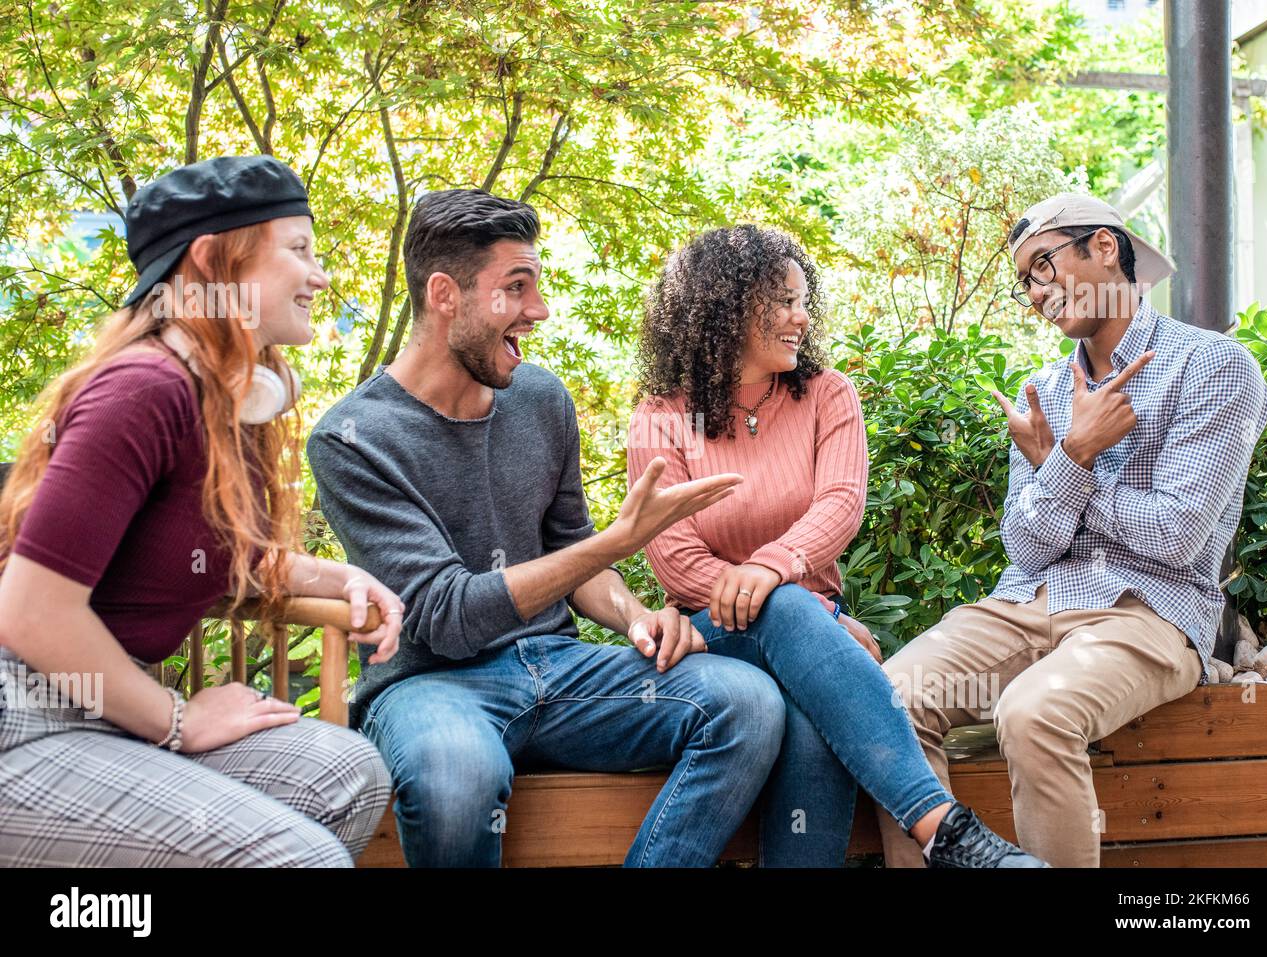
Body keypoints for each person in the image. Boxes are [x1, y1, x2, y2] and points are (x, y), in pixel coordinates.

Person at [306, 189, 789, 868]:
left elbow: (573, 554)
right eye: (515, 288)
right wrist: (616, 542)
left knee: (747, 703)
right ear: (445, 294)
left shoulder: (539, 399)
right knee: (456, 779)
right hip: (429, 686)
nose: (539, 310)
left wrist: (634, 615)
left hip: (561, 672)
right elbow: (447, 615)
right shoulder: (353, 438)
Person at [0, 156, 402, 867]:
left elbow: (214, 555)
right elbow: (30, 612)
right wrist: (176, 720)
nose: (321, 276)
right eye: (299, 250)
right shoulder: (146, 389)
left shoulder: (227, 404)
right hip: (23, 722)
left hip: (97, 715)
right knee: (300, 860)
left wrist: (339, 579)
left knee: (346, 773)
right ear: (213, 261)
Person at [628, 224, 1045, 867]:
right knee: (791, 612)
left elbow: (841, 504)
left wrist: (774, 570)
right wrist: (803, 608)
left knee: (808, 724)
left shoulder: (827, 394)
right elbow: (675, 558)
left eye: (804, 300)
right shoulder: (662, 412)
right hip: (712, 635)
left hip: (810, 635)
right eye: (784, 301)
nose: (803, 317)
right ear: (727, 306)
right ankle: (946, 833)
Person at [876, 192, 1267, 867]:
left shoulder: (1212, 366)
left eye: (1044, 264)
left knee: (1035, 713)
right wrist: (1072, 455)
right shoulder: (1043, 392)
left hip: (1149, 612)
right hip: (1029, 601)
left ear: (1106, 247)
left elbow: (1177, 535)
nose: (1036, 292)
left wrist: (1066, 468)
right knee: (885, 699)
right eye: (1025, 281)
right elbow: (1026, 545)